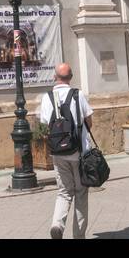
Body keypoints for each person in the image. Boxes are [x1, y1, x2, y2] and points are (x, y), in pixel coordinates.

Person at [39, 62, 93, 240]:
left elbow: (46, 123)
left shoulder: (47, 97)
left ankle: (57, 224)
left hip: (58, 153)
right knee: (80, 192)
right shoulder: (78, 95)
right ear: (70, 78)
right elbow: (89, 121)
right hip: (79, 152)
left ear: (55, 77)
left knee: (63, 191)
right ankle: (78, 236)